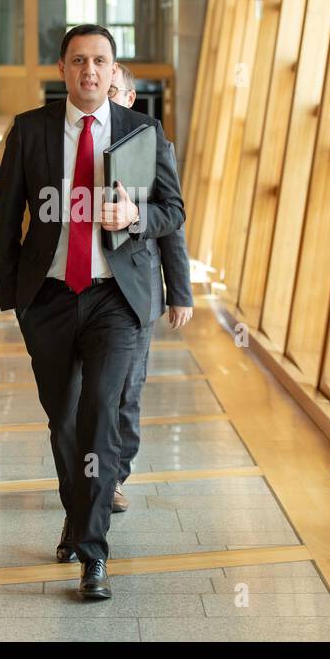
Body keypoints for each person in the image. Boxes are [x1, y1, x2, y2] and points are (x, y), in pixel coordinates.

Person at [0, 24, 185, 601]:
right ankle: (78, 518)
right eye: (79, 61)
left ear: (113, 68)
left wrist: (135, 218)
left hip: (115, 299)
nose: (90, 72)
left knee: (102, 411)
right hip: (49, 298)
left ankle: (93, 550)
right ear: (62, 69)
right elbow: (7, 220)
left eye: (100, 61)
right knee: (65, 422)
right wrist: (15, 301)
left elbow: (171, 210)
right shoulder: (31, 131)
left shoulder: (142, 131)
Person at [107, 64, 194, 512]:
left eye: (115, 89)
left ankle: (116, 475)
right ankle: (88, 475)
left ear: (128, 99)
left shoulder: (154, 142)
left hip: (137, 287)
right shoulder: (77, 144)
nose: (106, 92)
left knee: (128, 389)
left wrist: (180, 291)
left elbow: (172, 225)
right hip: (83, 288)